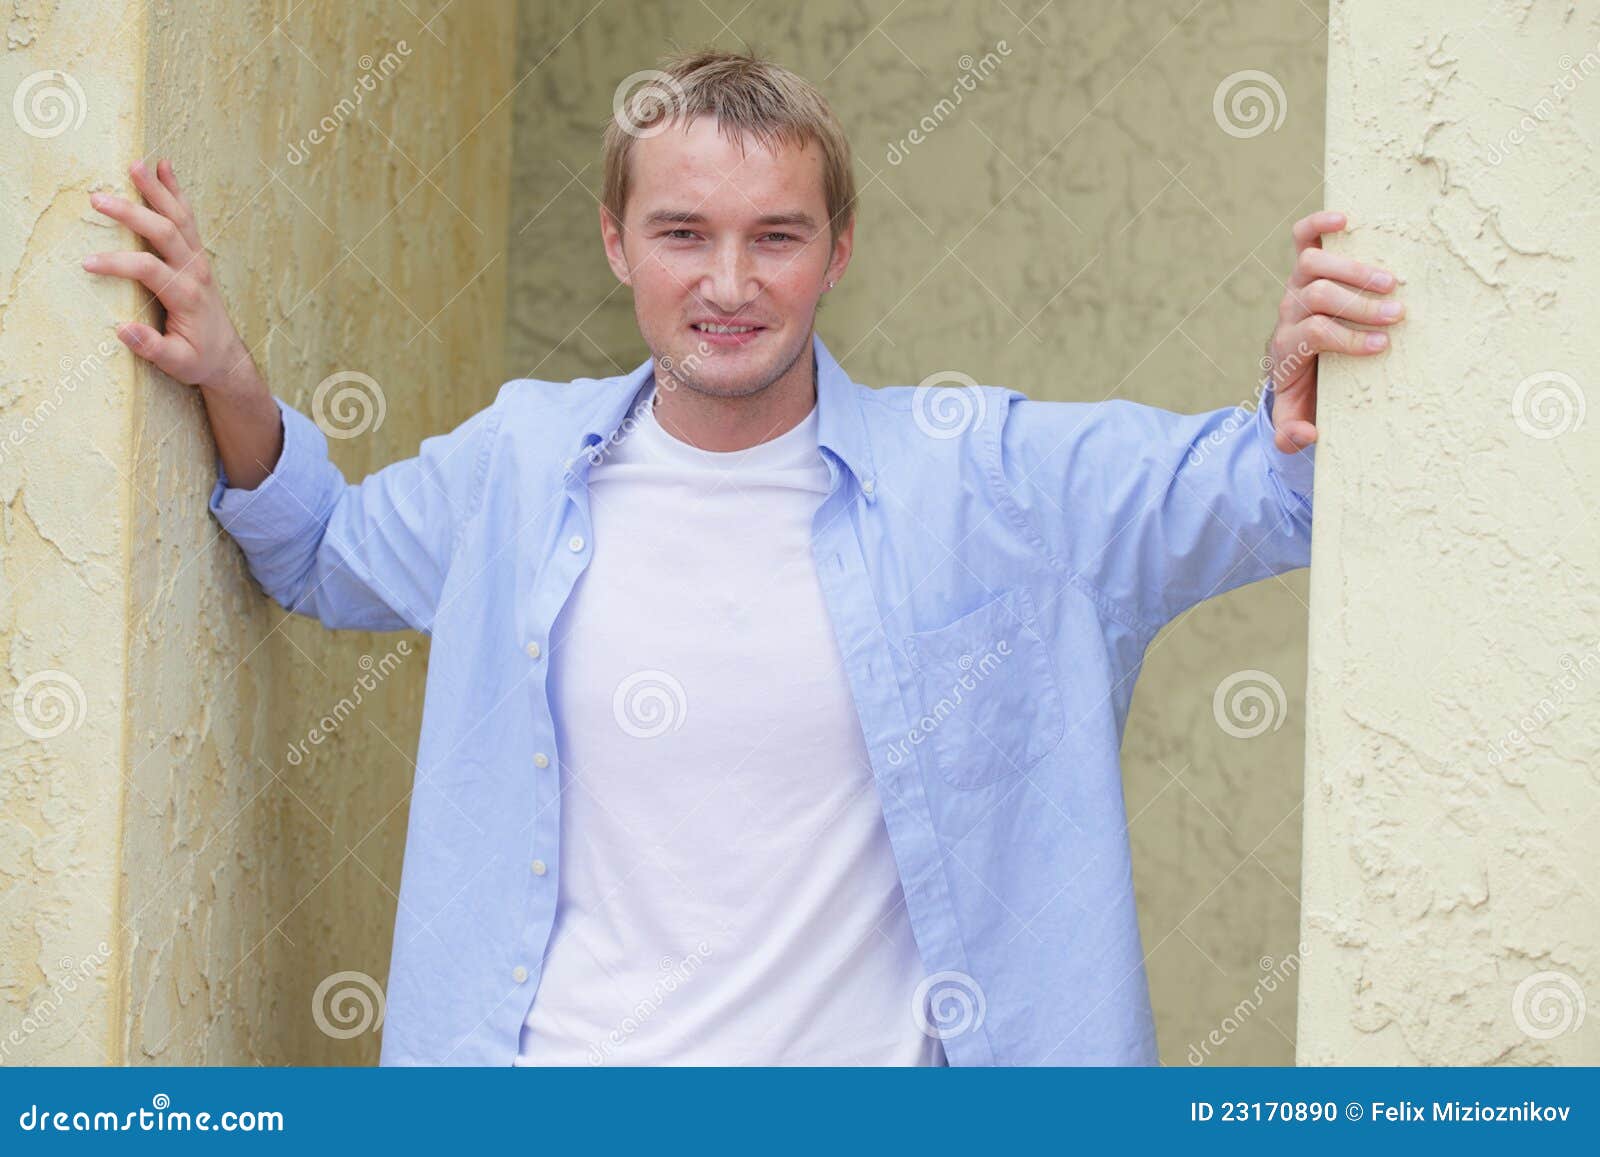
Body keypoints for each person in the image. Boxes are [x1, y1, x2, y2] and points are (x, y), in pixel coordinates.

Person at [82, 48, 1402, 1066]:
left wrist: (1306, 382)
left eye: (777, 235)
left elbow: (1265, 493)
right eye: (681, 233)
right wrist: (230, 372)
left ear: (837, 253)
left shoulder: (990, 479)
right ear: (616, 242)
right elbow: (317, 547)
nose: (730, 282)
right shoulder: (521, 462)